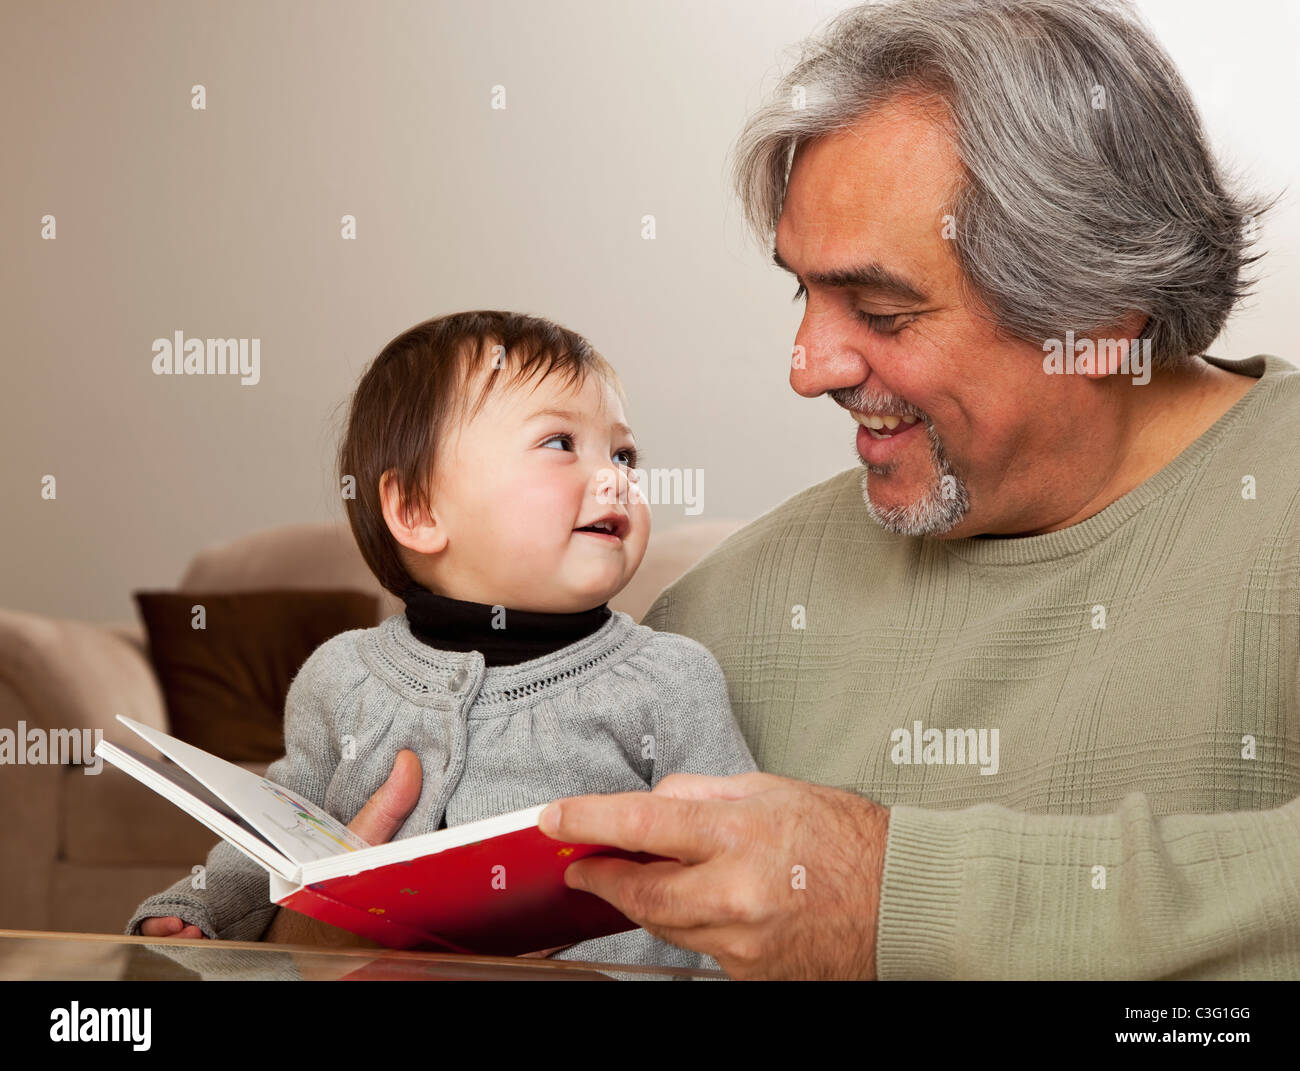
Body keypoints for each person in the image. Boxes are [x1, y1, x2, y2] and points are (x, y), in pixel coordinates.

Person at [533, 0, 1300, 979]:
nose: (807, 366)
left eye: (882, 310)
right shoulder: (732, 611)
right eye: (800, 293)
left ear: (1102, 313)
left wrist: (891, 899)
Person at [124, 310, 757, 974]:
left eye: (623, 453)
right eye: (560, 443)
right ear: (419, 510)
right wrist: (202, 908)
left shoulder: (670, 679)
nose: (615, 478)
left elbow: (742, 872)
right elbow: (277, 835)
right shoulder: (342, 676)